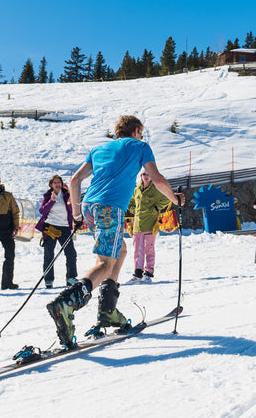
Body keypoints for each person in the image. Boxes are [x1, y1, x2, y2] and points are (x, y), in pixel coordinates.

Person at [46, 115, 184, 347]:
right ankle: (66, 302)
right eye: (141, 132)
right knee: (105, 263)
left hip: (90, 206)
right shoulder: (140, 146)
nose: (141, 136)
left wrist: (78, 214)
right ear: (137, 130)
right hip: (110, 208)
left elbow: (75, 180)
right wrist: (176, 201)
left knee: (119, 251)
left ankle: (108, 309)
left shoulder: (99, 148)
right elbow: (158, 179)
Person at [126, 170, 173, 281]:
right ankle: (137, 274)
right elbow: (129, 202)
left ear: (152, 177)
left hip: (150, 224)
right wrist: (134, 210)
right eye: (143, 174)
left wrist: (156, 208)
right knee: (138, 250)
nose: (146, 176)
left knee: (149, 250)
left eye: (148, 174)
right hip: (138, 225)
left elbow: (167, 197)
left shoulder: (156, 189)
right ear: (140, 176)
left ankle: (148, 273)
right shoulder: (136, 190)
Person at [35, 174, 77, 289]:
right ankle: (48, 280)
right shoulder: (48, 196)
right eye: (55, 183)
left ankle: (71, 278)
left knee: (71, 253)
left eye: (59, 182)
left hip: (65, 227)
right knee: (49, 254)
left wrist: (71, 203)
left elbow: (74, 209)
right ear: (51, 185)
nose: (57, 184)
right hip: (50, 227)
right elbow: (42, 211)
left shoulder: (67, 195)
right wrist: (51, 201)